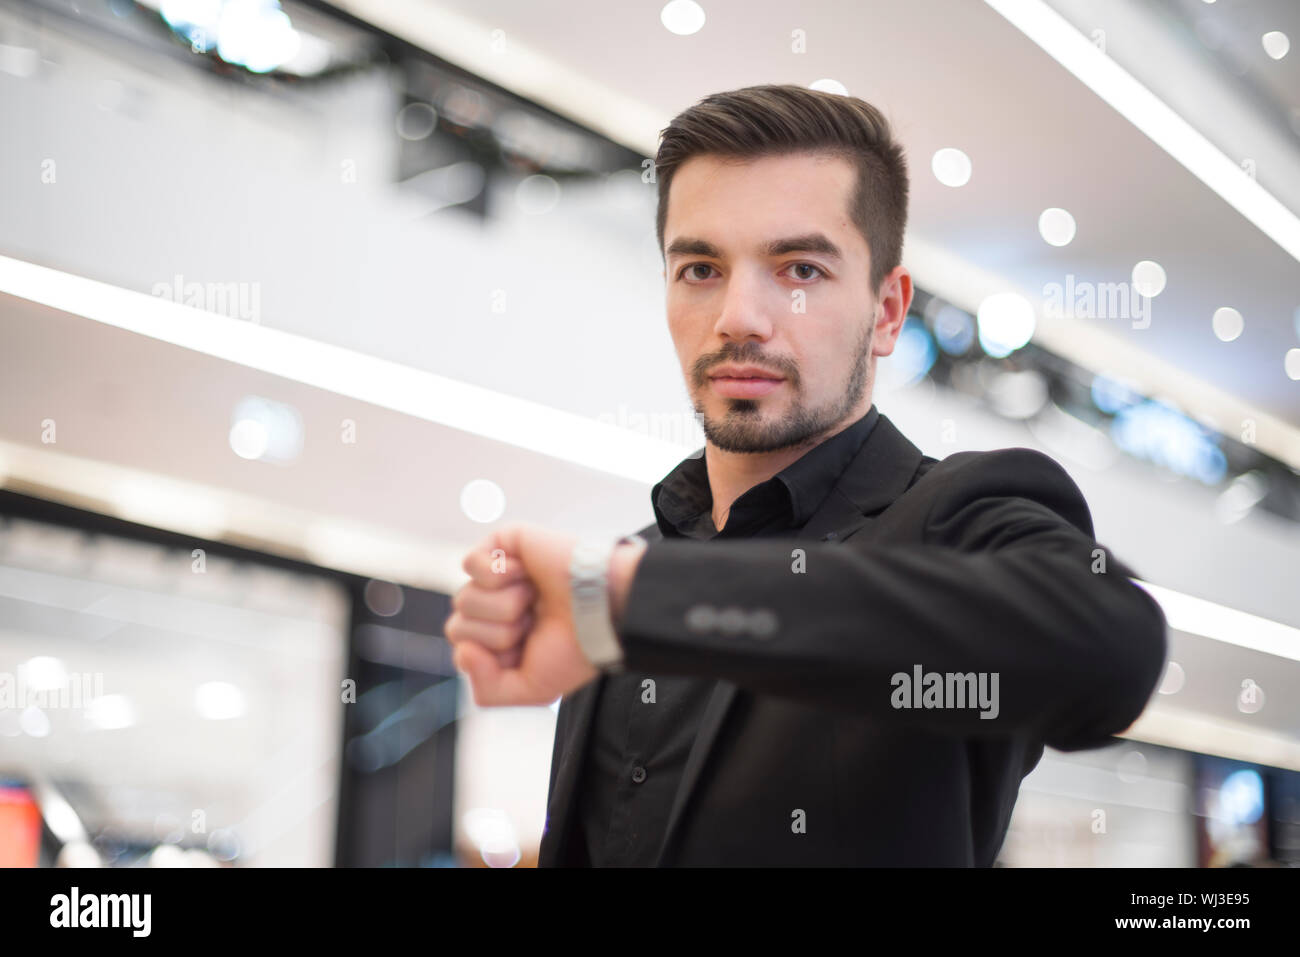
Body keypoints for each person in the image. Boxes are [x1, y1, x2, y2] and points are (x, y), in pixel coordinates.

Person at [444, 84, 1168, 866]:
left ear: (887, 311)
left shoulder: (953, 516)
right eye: (699, 268)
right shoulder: (629, 570)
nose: (739, 316)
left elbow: (1109, 646)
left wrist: (631, 600)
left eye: (799, 268)